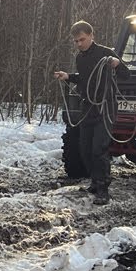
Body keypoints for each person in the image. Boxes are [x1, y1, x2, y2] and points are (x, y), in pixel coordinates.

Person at [53, 20, 129, 205]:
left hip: (105, 107)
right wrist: (69, 77)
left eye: (82, 40)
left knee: (99, 148)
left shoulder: (106, 54)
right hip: (88, 107)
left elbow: (126, 74)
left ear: (91, 36)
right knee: (85, 149)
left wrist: (118, 65)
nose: (79, 44)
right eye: (76, 41)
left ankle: (103, 188)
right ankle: (95, 181)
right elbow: (85, 79)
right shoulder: (80, 58)